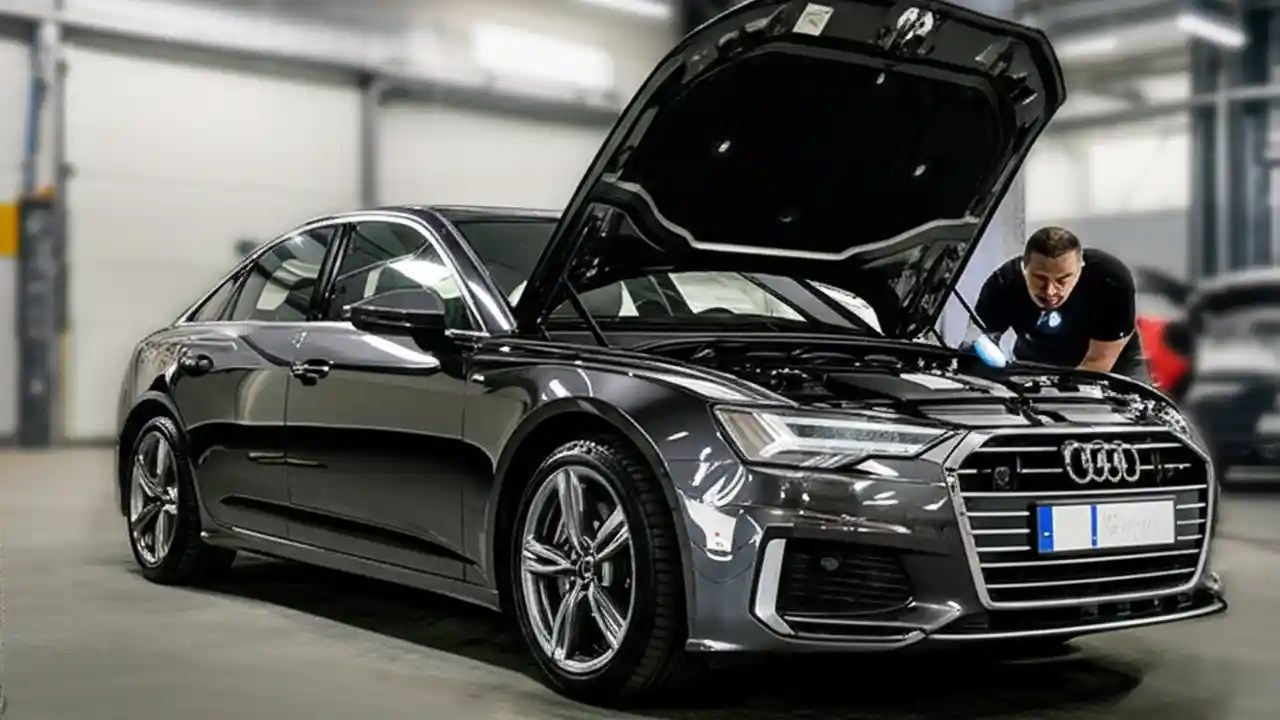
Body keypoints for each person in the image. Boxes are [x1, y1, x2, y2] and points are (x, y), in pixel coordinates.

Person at [971, 226, 1151, 383]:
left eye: (1062, 280)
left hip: (1112, 362)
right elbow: (976, 344)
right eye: (1040, 278)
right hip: (1035, 359)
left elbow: (1097, 363)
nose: (1050, 291)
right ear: (1024, 269)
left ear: (1081, 269)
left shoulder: (1110, 281)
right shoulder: (1004, 283)